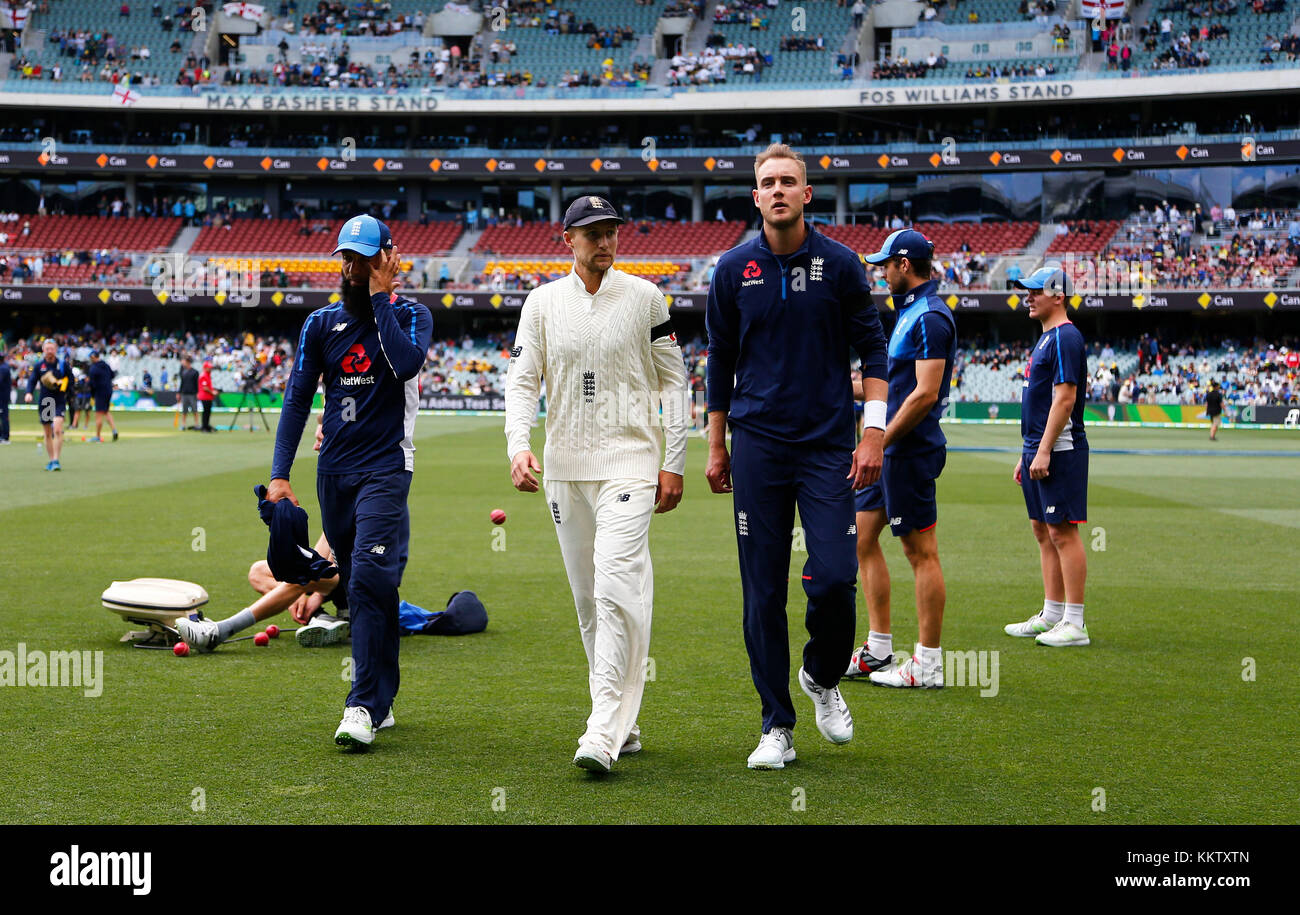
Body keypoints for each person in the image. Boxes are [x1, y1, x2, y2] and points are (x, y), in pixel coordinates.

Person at [706, 143, 889, 770]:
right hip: (756, 445)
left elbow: (876, 354)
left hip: (828, 446)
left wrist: (873, 434)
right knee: (761, 591)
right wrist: (715, 445)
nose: (778, 190)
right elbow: (720, 365)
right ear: (754, 197)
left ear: (807, 193)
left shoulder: (841, 266)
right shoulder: (732, 271)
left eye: (788, 181)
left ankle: (821, 675)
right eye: (767, 182)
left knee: (836, 576)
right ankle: (775, 724)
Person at [504, 195, 690, 774]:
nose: (604, 241)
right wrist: (518, 445)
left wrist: (674, 461)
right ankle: (623, 722)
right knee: (588, 601)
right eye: (592, 233)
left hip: (630, 464)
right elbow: (521, 380)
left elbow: (675, 383)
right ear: (568, 240)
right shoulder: (540, 303)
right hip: (564, 469)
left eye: (611, 231)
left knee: (614, 588)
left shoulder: (646, 297)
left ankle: (602, 730)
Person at [267, 214, 433, 749]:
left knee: (365, 581)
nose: (355, 269)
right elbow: (296, 400)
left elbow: (405, 366)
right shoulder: (319, 324)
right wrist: (279, 474)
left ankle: (360, 704)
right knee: (375, 591)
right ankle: (382, 698)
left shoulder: (411, 315)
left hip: (386, 469)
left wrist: (382, 298)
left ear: (389, 258)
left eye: (366, 259)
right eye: (349, 259)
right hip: (332, 473)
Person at [845, 229, 956, 688]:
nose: (881, 271)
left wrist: (880, 440)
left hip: (906, 450)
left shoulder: (930, 316)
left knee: (919, 551)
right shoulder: (910, 312)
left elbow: (925, 394)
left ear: (904, 265)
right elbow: (894, 386)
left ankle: (928, 665)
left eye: (885, 265)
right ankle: (878, 649)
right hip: (887, 449)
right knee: (863, 539)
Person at [1004, 265, 1091, 647]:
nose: (1028, 296)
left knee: (1062, 532)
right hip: (1040, 449)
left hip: (1060, 449)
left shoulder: (1065, 337)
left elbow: (1065, 398)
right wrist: (1027, 454)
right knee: (1043, 530)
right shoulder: (1047, 338)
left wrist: (1041, 451)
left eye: (1035, 290)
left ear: (1058, 296)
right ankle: (1052, 614)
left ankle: (1075, 623)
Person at [25, 338, 70, 470]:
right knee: (47, 432)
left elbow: (71, 380)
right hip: (45, 401)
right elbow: (32, 380)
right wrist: (29, 393)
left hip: (59, 400)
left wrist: (63, 385)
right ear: (43, 350)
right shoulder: (40, 366)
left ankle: (56, 460)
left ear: (56, 350)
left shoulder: (62, 365)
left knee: (57, 429)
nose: (50, 351)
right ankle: (51, 460)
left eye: (52, 349)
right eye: (47, 349)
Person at [88, 350, 118, 442]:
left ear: (93, 358)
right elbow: (112, 375)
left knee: (99, 414)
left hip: (100, 392)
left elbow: (92, 384)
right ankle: (114, 430)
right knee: (106, 411)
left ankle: (97, 436)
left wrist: (92, 395)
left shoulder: (93, 368)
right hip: (108, 391)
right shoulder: (106, 365)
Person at [178, 355, 199, 429]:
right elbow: (182, 383)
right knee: (184, 411)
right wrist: (179, 393)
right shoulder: (183, 372)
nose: (183, 363)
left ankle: (196, 424)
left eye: (184, 362)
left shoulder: (195, 372)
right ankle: (183, 425)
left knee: (195, 410)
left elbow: (197, 384)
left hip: (193, 394)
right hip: (184, 394)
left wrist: (198, 393)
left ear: (188, 362)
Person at [197, 359, 215, 432]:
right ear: (205, 368)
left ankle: (207, 426)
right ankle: (204, 427)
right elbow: (205, 388)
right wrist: (213, 392)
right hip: (205, 397)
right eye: (209, 367)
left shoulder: (207, 375)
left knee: (207, 412)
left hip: (208, 396)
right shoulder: (204, 375)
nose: (210, 369)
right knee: (206, 412)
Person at [0, 354, 11, 444]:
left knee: (4, 417)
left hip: (2, 397)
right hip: (3, 397)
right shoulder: (4, 367)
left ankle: (5, 437)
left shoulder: (3, 368)